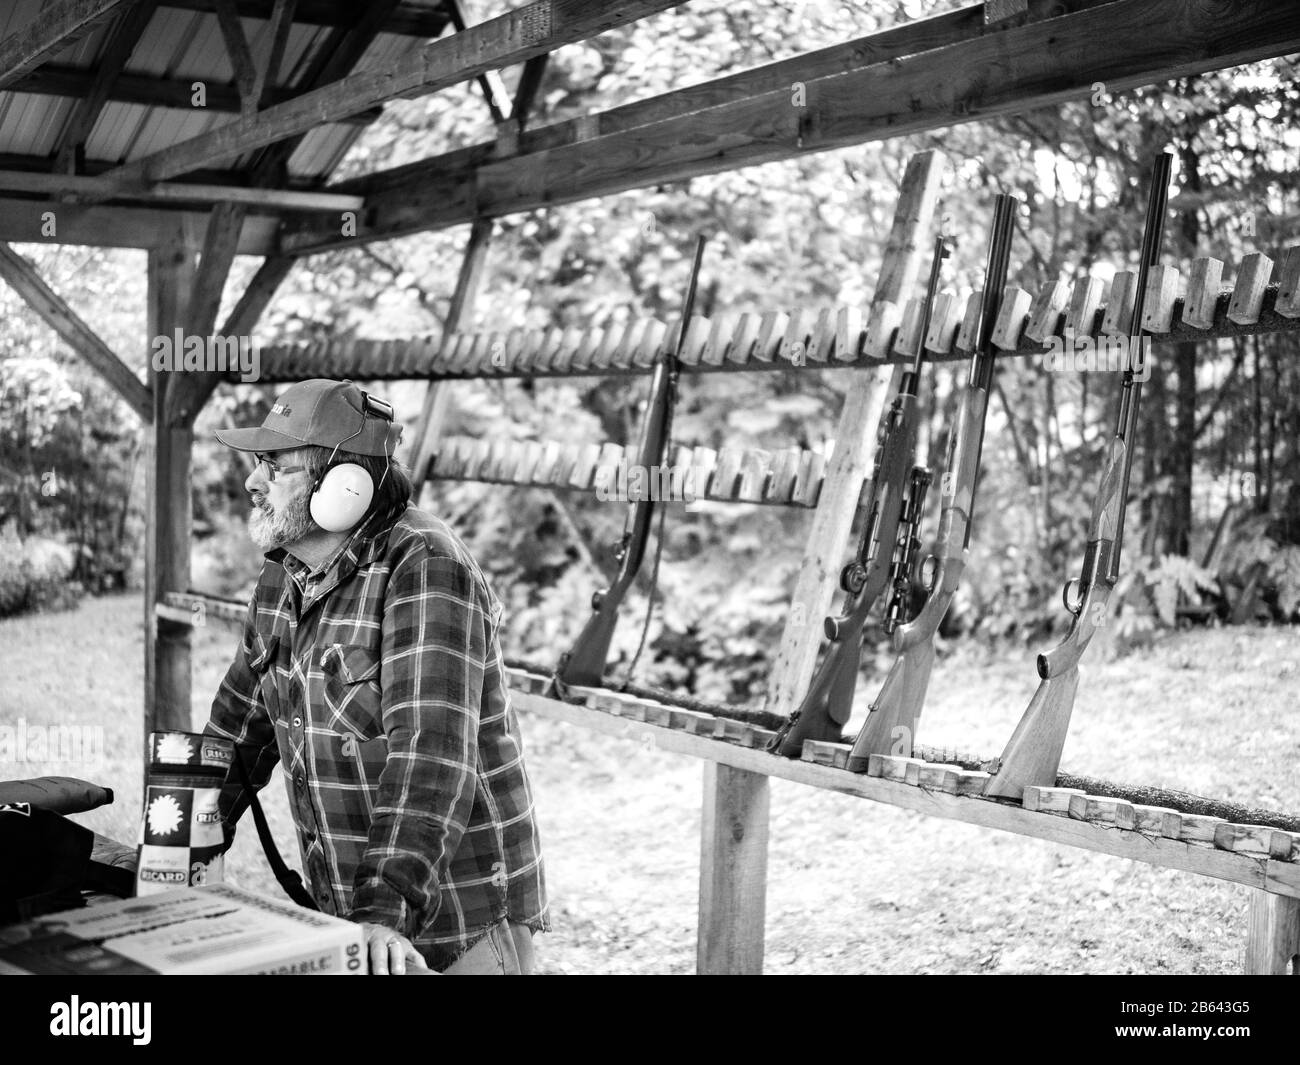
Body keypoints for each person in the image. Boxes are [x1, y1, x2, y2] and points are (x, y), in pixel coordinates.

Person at [203, 378, 548, 974]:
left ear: (345, 485)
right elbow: (236, 729)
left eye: (273, 465)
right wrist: (180, 834)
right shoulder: (283, 578)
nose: (251, 482)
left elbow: (431, 755)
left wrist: (383, 912)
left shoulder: (425, 564)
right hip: (353, 913)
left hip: (454, 918)